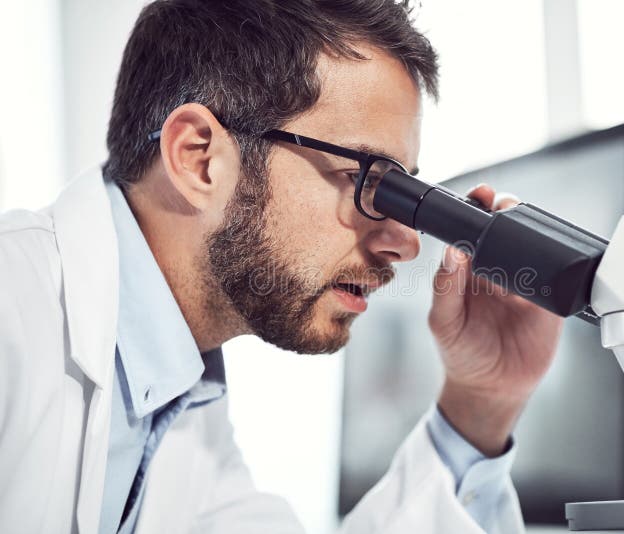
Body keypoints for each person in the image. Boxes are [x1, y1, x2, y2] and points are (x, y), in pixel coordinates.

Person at [0, 1, 563, 533]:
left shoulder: (180, 400)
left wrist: (482, 400)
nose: (406, 243)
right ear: (199, 158)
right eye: (369, 180)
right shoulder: (14, 310)